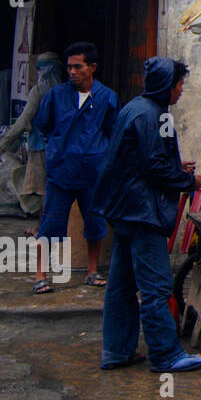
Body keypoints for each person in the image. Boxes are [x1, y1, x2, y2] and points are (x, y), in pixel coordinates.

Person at [93, 57, 201, 373]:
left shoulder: (136, 108)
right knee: (155, 287)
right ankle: (165, 354)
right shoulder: (153, 115)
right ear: (166, 85)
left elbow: (142, 159)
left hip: (125, 212)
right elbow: (153, 166)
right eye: (179, 84)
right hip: (143, 212)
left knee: (121, 287)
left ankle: (116, 351)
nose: (181, 90)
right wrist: (189, 181)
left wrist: (174, 169)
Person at [30, 42, 119, 295]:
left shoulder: (107, 97)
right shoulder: (56, 95)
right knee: (49, 224)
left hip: (93, 173)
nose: (71, 72)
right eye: (69, 67)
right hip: (61, 172)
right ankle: (40, 275)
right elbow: (43, 125)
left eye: (77, 67)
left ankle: (92, 272)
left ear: (92, 67)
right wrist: (56, 148)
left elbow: (113, 132)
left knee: (95, 224)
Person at [0, 51, 63, 215]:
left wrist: (3, 145)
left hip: (40, 146)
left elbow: (23, 120)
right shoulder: (65, 91)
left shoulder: (38, 91)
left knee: (42, 189)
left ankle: (43, 225)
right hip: (60, 146)